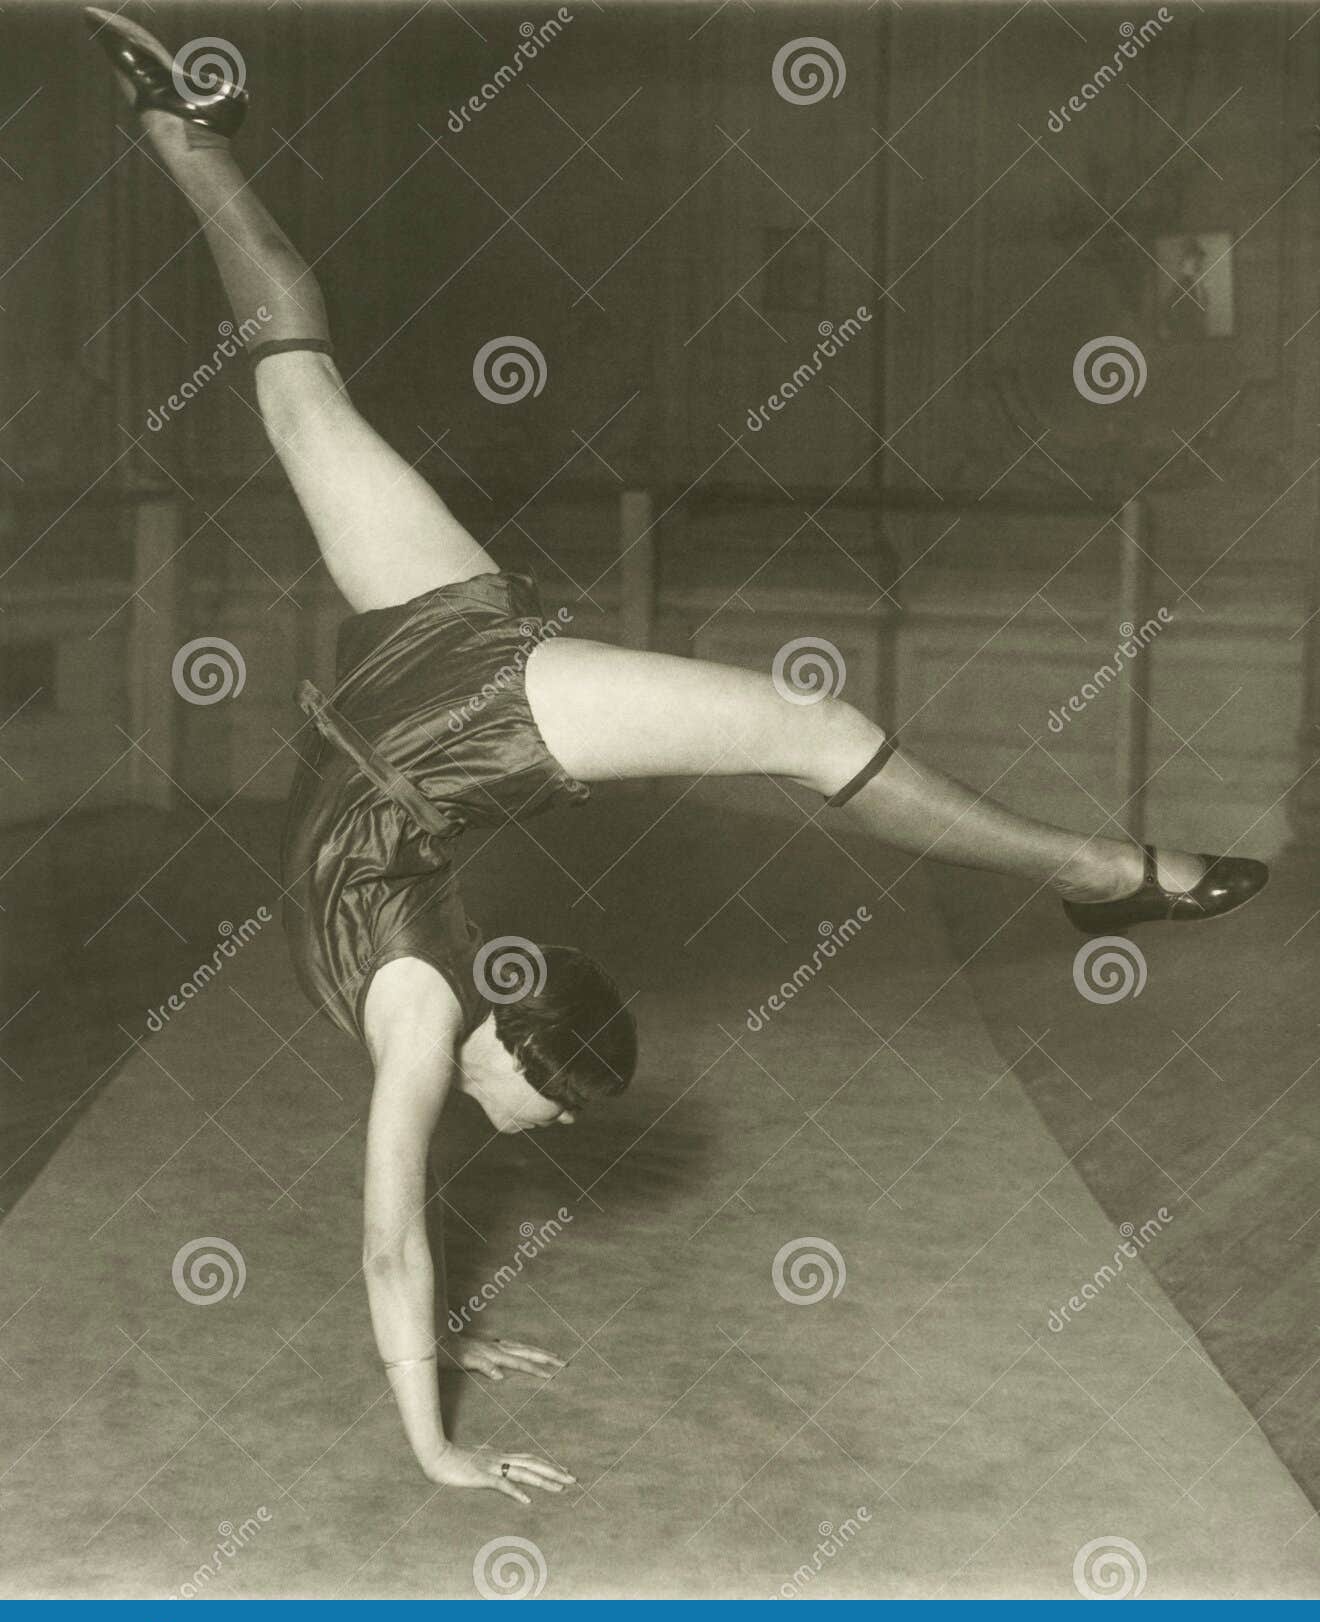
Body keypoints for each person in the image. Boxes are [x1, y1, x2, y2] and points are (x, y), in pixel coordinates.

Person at [85, 8, 1268, 1506]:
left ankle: (179, 139)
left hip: (418, 702)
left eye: (556, 1120)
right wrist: (434, 1432)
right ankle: (1095, 866)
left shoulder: (428, 1019)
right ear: (505, 1053)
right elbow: (395, 1232)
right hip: (450, 708)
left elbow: (401, 1226)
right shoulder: (426, 1017)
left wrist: (443, 1363)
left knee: (297, 387)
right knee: (807, 726)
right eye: (551, 1116)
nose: (540, 1140)